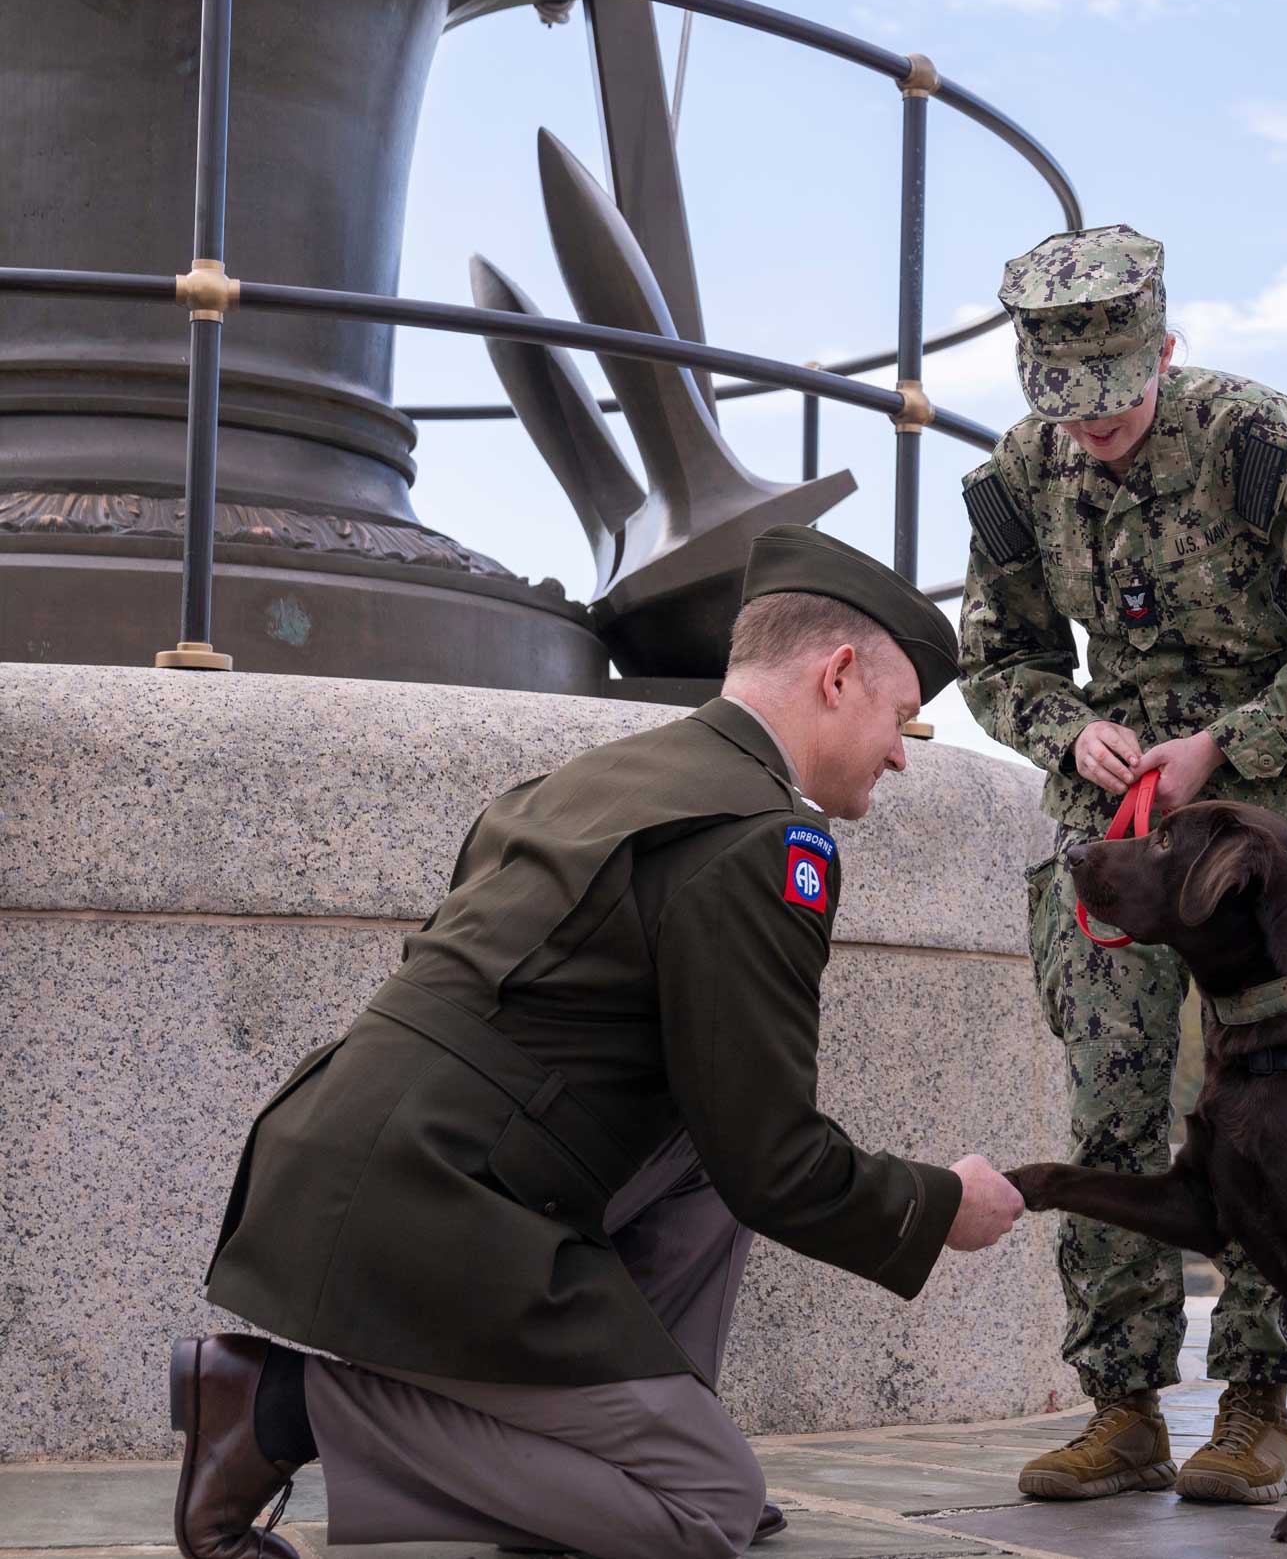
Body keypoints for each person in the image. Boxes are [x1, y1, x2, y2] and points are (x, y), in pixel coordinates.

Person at [174, 526, 1025, 1559]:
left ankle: (624, 1457)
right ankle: (279, 1405)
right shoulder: (765, 839)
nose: (900, 748)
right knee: (703, 1509)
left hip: (358, 1162)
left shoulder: (598, 776)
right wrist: (942, 1206)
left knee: (705, 1152)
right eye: (900, 715)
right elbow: (778, 1164)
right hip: (439, 1204)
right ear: (837, 674)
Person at [957, 224, 1287, 1508]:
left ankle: (1260, 1404)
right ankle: (1122, 1404)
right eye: (1069, 406)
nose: (1094, 428)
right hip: (1132, 819)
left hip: (1282, 816)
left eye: (1117, 400)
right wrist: (1068, 726)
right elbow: (1001, 658)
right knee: (1108, 1090)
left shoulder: (1259, 441)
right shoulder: (1018, 474)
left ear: (1166, 349)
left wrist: (1233, 741)